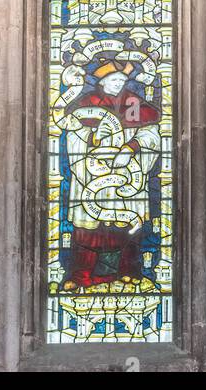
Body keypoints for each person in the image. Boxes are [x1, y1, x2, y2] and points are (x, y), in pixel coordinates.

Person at [54, 55, 161, 288]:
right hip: (92, 174)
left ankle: (129, 271)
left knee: (126, 223)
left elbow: (152, 134)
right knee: (88, 226)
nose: (118, 84)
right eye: (113, 80)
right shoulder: (86, 103)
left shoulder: (135, 103)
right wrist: (92, 140)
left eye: (122, 80)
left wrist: (130, 148)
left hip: (126, 174)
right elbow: (73, 133)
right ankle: (82, 274)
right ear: (102, 83)